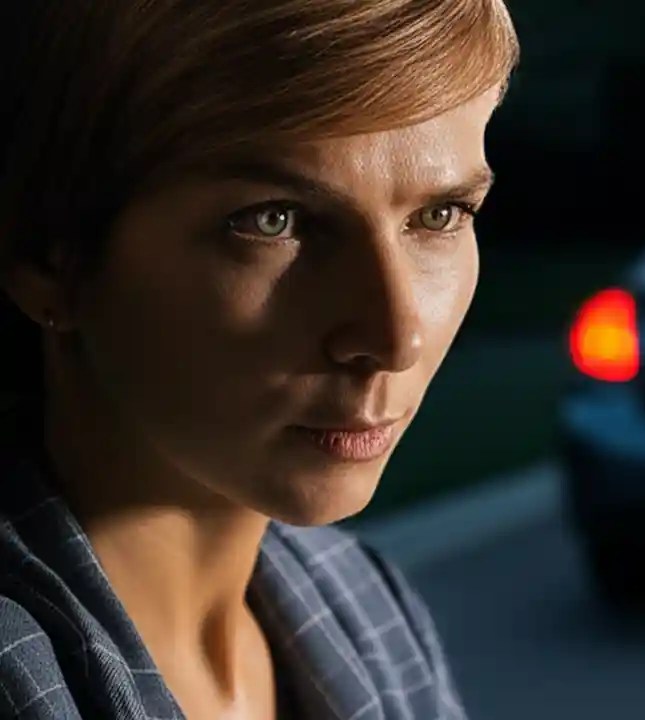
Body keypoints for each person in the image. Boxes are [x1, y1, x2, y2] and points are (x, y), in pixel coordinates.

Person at [0, 1, 518, 717]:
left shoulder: (371, 613)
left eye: (440, 215)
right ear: (46, 258)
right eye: (276, 220)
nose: (397, 336)